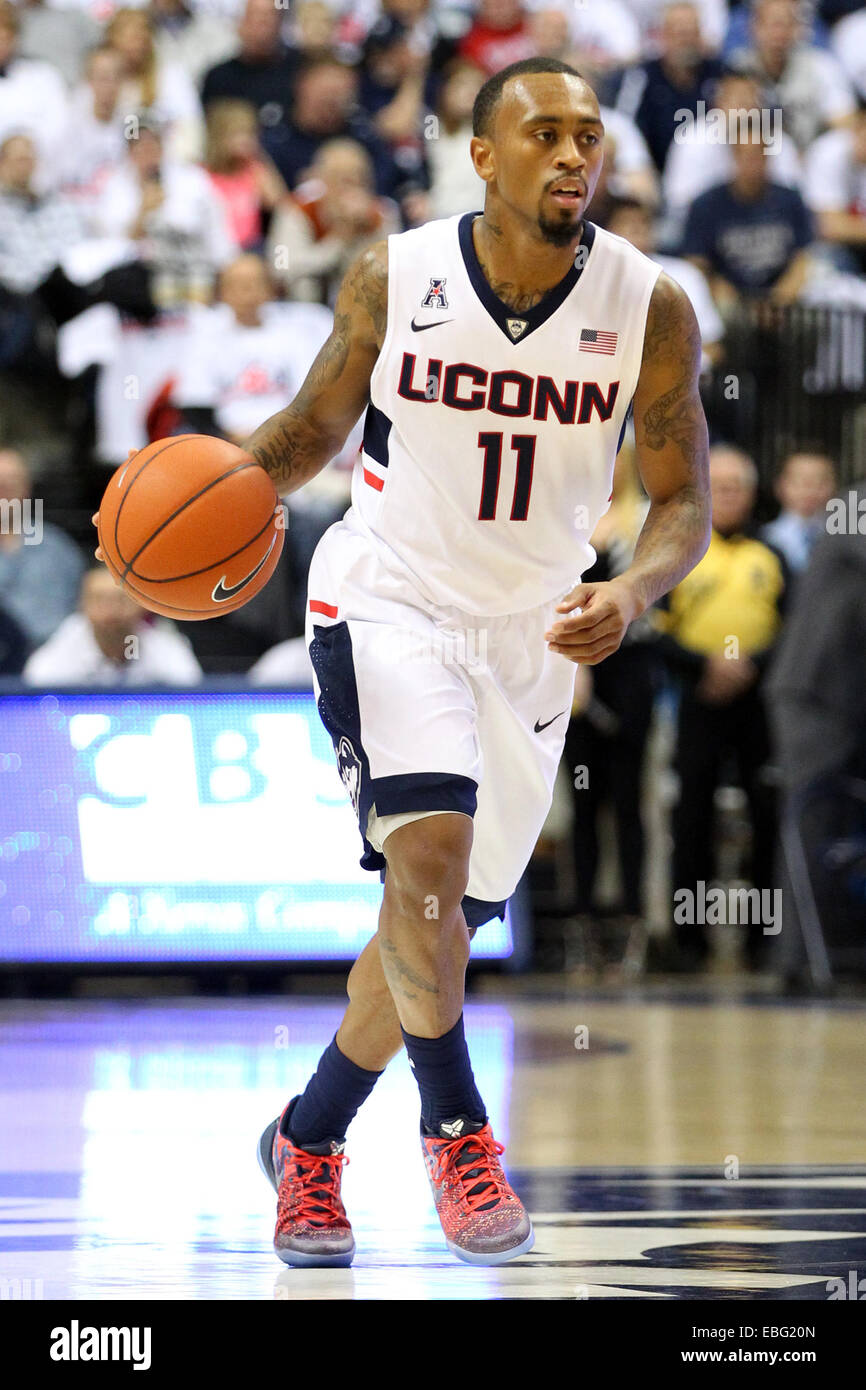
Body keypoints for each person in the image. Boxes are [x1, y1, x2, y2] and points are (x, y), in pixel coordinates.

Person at [94, 56, 711, 1268]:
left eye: (589, 134)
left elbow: (680, 496)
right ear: (482, 156)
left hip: (532, 636)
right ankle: (458, 1132)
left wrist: (632, 589)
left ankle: (308, 1135)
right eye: (544, 133)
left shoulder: (652, 304)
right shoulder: (399, 272)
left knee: (428, 926)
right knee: (423, 857)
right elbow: (309, 432)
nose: (575, 153)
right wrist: (191, 506)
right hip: (387, 599)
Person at [655, 445, 787, 969]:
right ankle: (690, 944)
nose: (729, 495)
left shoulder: (771, 555)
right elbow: (654, 629)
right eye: (720, 485)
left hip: (758, 704)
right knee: (691, 819)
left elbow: (795, 629)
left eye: (738, 486)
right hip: (697, 700)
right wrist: (704, 666)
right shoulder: (681, 551)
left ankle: (763, 944)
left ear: (753, 493)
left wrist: (749, 665)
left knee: (766, 814)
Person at [23, 565, 202, 686]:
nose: (111, 610)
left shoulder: (161, 642)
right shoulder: (64, 645)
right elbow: (35, 687)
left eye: (121, 600)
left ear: (141, 605)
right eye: (99, 600)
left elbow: (192, 688)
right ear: (82, 605)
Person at [0, 449, 84, 651]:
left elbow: (82, 611)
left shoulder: (58, 549)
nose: (5, 491)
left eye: (12, 482)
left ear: (26, 489)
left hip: (51, 663)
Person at [760, 448, 836, 575]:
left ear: (834, 486)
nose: (810, 489)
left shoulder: (843, 539)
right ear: (779, 486)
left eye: (820, 481)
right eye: (800, 481)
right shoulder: (763, 539)